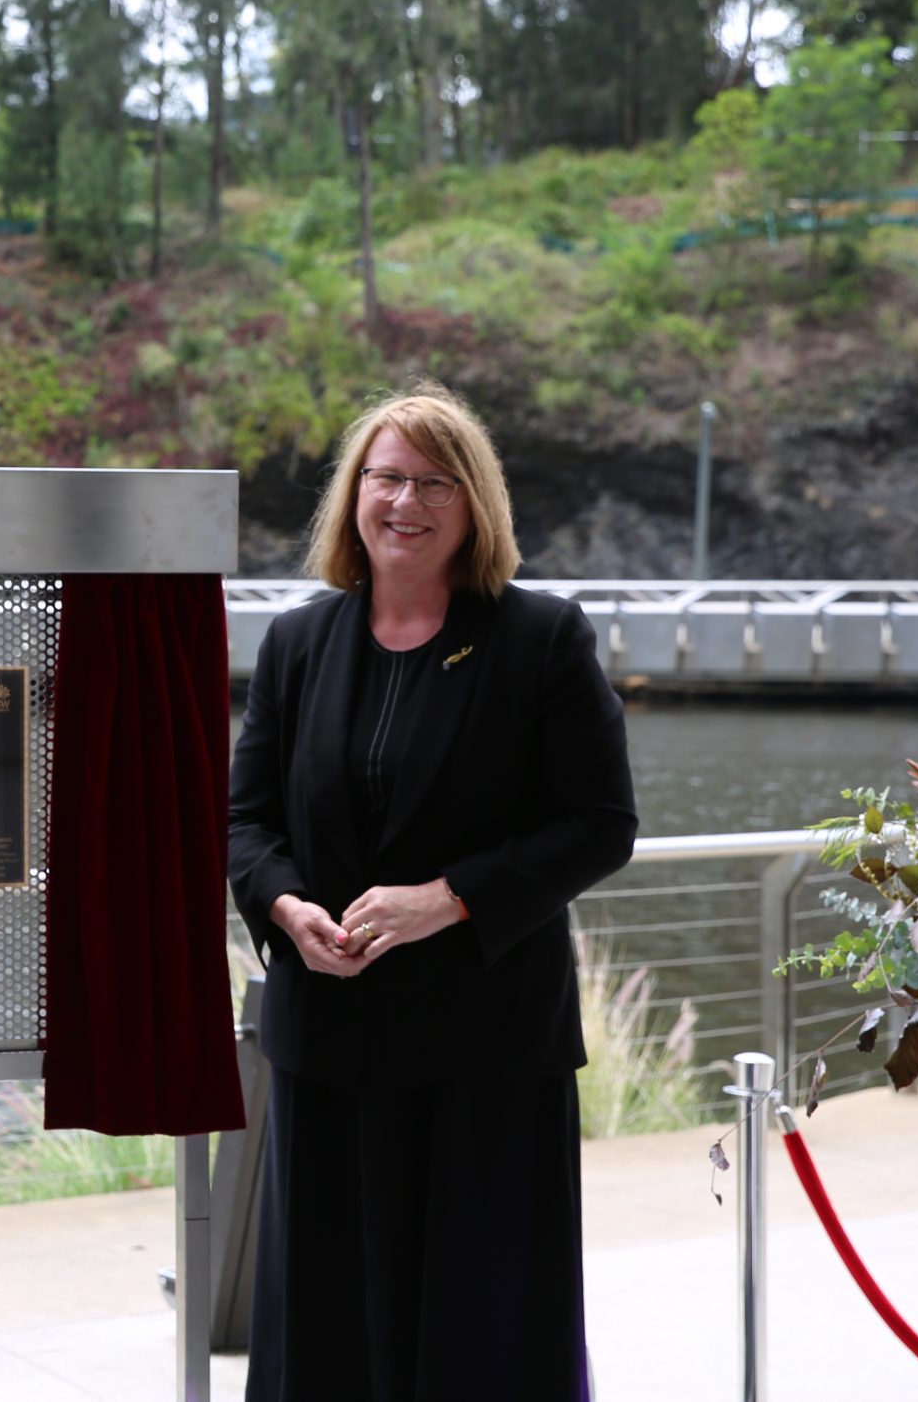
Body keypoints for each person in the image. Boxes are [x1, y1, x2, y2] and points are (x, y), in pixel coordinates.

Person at [227, 382, 636, 1401]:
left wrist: (444, 898)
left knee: (475, 1324)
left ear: (473, 504)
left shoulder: (539, 639)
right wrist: (284, 908)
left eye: (433, 483)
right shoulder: (295, 643)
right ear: (352, 496)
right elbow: (243, 824)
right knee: (324, 1321)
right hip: (326, 1038)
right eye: (386, 478)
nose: (404, 503)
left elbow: (599, 826)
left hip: (484, 1048)